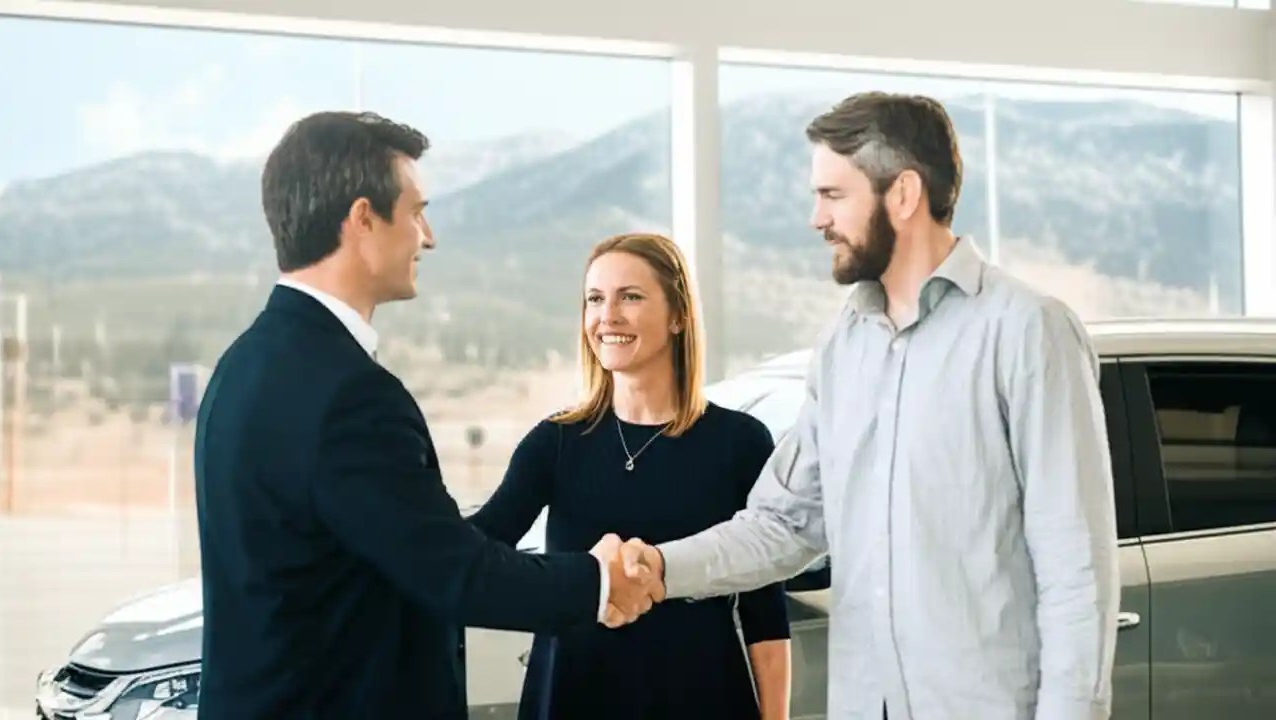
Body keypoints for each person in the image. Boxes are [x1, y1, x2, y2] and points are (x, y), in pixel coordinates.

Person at [620, 92, 1121, 720]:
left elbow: (1077, 568)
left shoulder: (1028, 331)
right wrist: (661, 567)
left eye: (833, 195)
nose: (816, 218)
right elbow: (785, 523)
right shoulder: (843, 346)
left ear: (903, 194)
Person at [192, 111, 659, 720]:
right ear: (363, 218)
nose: (428, 236)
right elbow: (454, 574)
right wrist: (598, 582)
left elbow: (398, 547)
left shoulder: (243, 366)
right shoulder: (348, 395)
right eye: (415, 211)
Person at [469, 232, 792, 719]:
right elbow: (474, 552)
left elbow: (765, 612)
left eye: (631, 297)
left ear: (679, 315)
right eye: (595, 299)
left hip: (702, 700)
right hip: (572, 699)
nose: (608, 316)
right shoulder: (554, 442)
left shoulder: (740, 442)